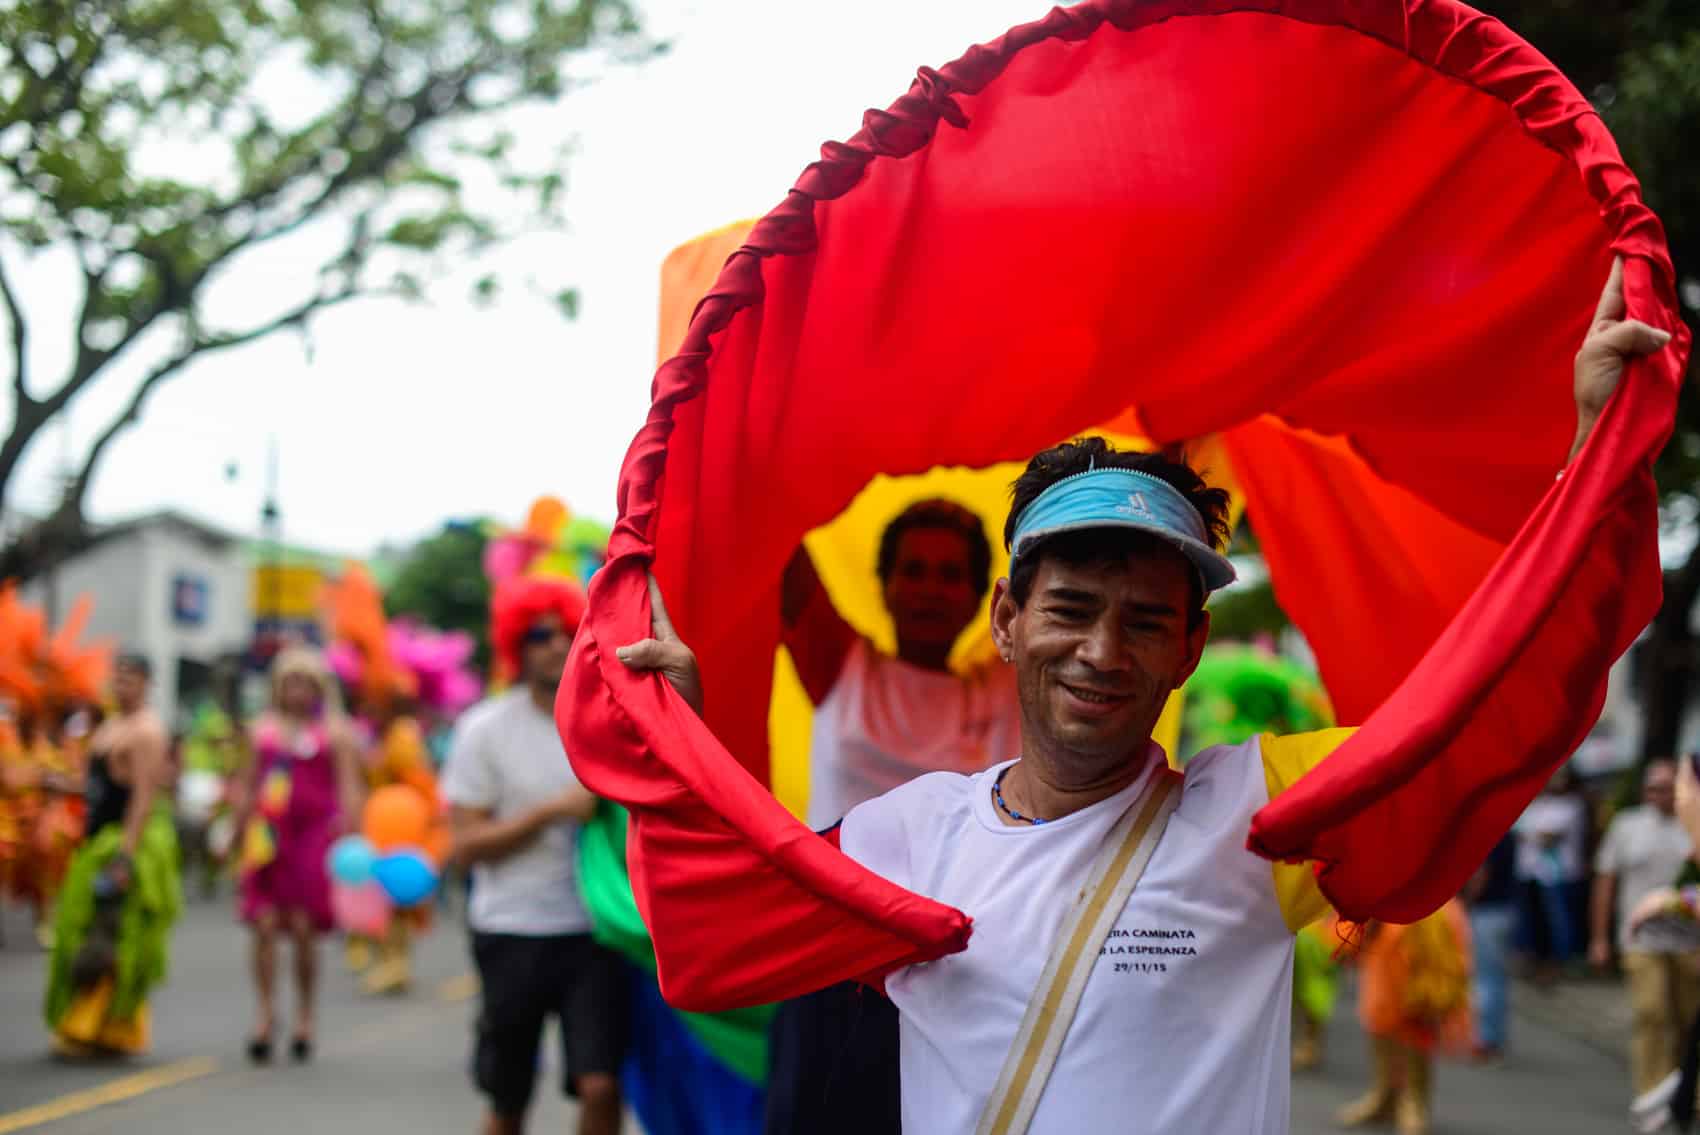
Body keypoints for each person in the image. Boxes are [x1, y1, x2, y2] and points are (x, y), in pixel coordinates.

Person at [618, 260, 1670, 1132]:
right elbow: (718, 930)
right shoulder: (902, 832)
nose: (1102, 650)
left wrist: (1594, 459)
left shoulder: (1261, 812)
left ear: (1190, 646)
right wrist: (676, 736)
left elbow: (1488, 709)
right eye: (1071, 608)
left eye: (1146, 620)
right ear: (1008, 620)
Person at [766, 499, 1019, 1135]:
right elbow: (772, 530)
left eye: (950, 574)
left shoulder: (1007, 690)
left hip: (958, 975)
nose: (930, 588)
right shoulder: (839, 662)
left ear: (983, 598)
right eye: (914, 570)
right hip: (830, 966)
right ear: (885, 585)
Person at [443, 577, 627, 1135]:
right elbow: (465, 847)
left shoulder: (607, 721)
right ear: (515, 646)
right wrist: (551, 812)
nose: (555, 645)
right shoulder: (483, 730)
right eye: (539, 635)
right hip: (510, 932)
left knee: (602, 1088)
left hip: (595, 934)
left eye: (567, 632)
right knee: (509, 1101)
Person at [43, 654, 179, 1057]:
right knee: (82, 931)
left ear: (147, 684)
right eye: (117, 678)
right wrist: (60, 784)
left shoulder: (147, 731)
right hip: (98, 838)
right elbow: (96, 785)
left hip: (124, 843)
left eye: (130, 679)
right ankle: (92, 1027)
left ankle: (104, 1027)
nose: (121, 686)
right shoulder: (110, 725)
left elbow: (143, 795)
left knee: (113, 936)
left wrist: (125, 857)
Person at [234, 646, 364, 1064]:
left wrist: (353, 836)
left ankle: (305, 1014)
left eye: (306, 683)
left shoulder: (335, 733)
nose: (298, 691)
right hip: (268, 834)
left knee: (305, 927)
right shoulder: (262, 730)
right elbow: (247, 784)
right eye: (290, 682)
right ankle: (265, 1012)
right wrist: (235, 832)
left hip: (314, 835)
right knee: (264, 924)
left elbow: (349, 787)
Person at [1592, 758, 1699, 1099]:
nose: (1658, 795)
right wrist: (1599, 938)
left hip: (1690, 942)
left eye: (1666, 789)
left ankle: (1683, 1092)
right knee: (1652, 1013)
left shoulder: (1694, 823)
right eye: (1652, 789)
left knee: (1687, 1022)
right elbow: (1605, 882)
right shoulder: (1627, 825)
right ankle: (1651, 1094)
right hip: (1641, 939)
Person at [1336, 906, 1473, 1134]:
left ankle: (1415, 1101)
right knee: (1378, 1008)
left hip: (1427, 914)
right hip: (1387, 916)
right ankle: (1385, 1095)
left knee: (1419, 1009)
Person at [1515, 765, 1590, 983]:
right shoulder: (1535, 805)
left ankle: (1561, 963)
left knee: (1559, 922)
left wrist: (1530, 834)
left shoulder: (1572, 805)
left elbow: (1548, 838)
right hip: (1531, 873)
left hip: (1560, 875)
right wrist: (1534, 834)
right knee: (1535, 921)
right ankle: (1538, 961)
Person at [1465, 831, 1519, 1061]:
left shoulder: (1492, 833)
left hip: (1487, 911)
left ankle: (1486, 1040)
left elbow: (1481, 874)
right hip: (1502, 910)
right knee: (1495, 977)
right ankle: (1492, 1037)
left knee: (1485, 978)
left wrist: (1465, 904)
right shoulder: (1508, 833)